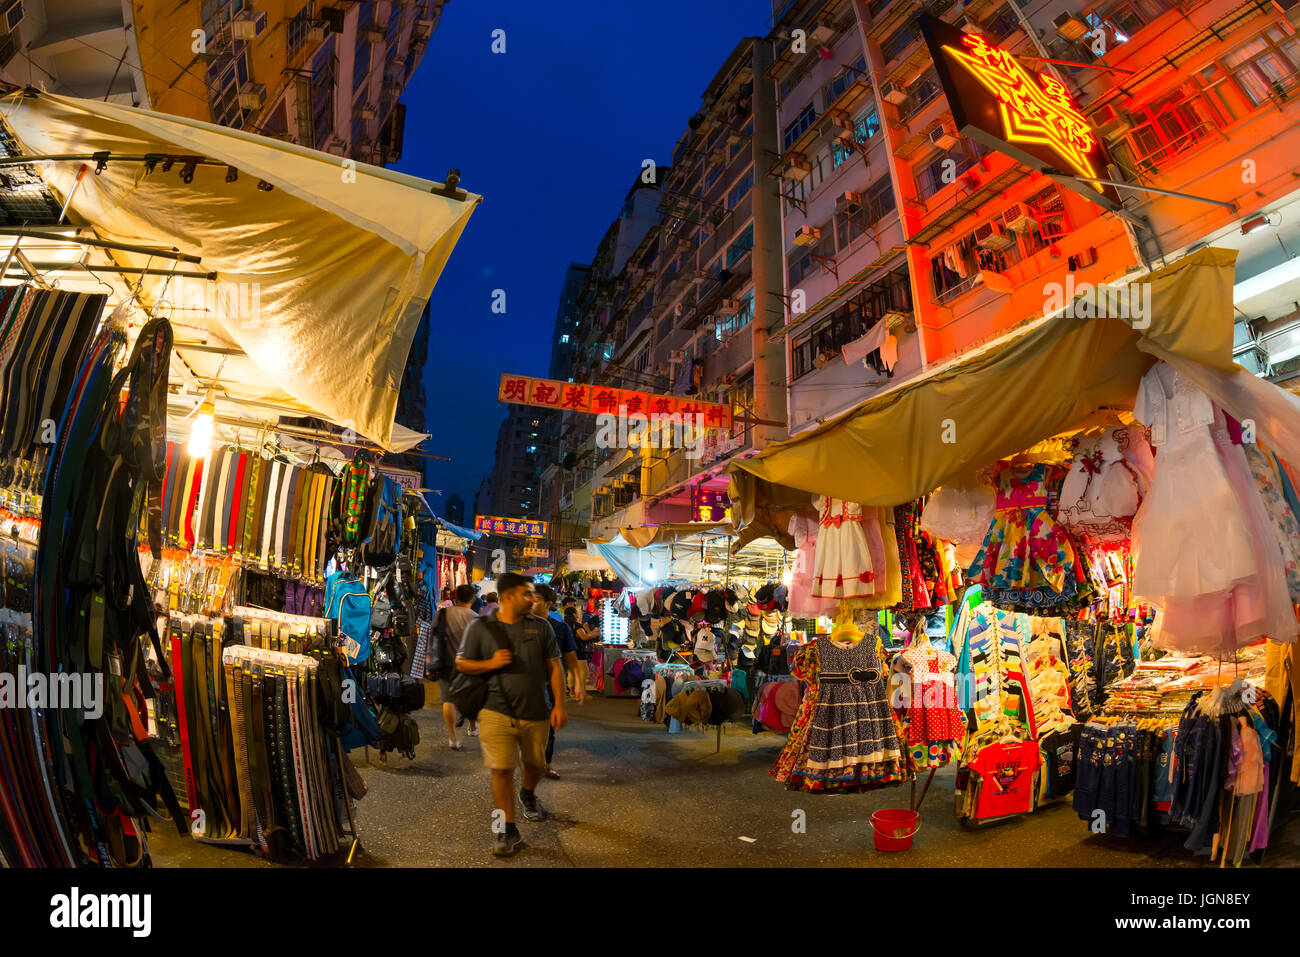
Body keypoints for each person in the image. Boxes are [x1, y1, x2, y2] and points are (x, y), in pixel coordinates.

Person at [457, 573, 567, 858]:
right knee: (502, 770)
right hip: (495, 710)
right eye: (526, 594)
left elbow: (555, 668)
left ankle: (527, 792)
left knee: (535, 765)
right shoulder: (481, 627)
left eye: (533, 595)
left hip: (536, 712)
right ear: (507, 597)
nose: (533, 599)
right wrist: (490, 663)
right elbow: (462, 662)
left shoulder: (542, 628)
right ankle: (507, 828)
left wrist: (559, 706)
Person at [533, 585, 585, 780]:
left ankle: (545, 764)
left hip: (550, 687)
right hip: (526, 688)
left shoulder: (560, 627)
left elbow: (570, 656)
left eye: (535, 598)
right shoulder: (519, 626)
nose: (530, 602)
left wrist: (578, 682)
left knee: (548, 730)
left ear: (548, 603)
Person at [439, 584, 480, 749]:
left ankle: (453, 736)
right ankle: (472, 726)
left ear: (455, 598)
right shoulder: (476, 617)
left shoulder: (443, 614)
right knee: (469, 696)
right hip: (468, 662)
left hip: (446, 661)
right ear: (473, 599)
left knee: (448, 699)